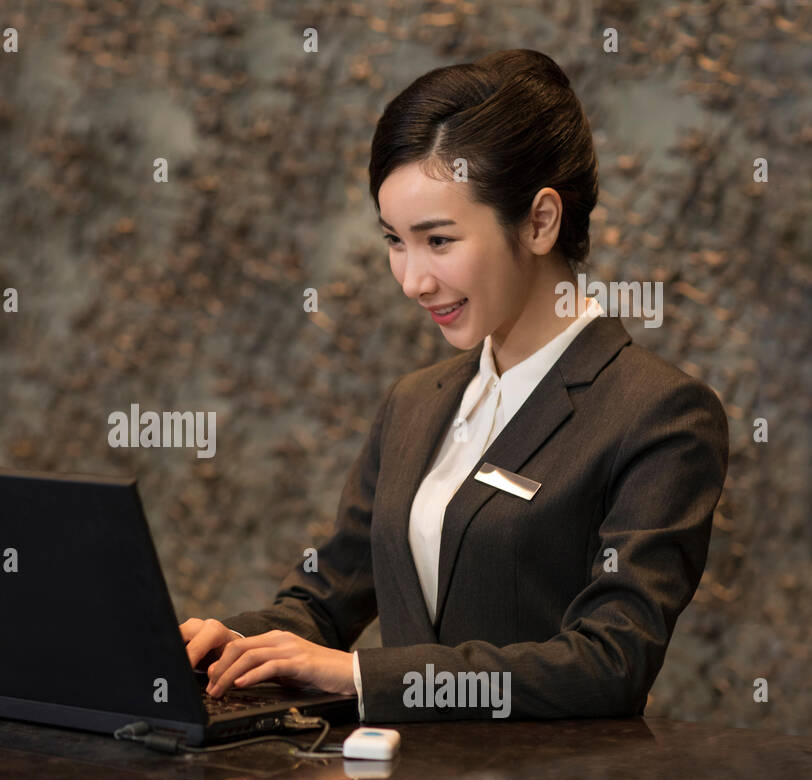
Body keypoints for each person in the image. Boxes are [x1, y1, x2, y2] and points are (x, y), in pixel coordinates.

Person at [181, 49, 729, 722]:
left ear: (540, 221)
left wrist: (362, 675)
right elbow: (327, 597)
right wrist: (234, 643)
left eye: (438, 241)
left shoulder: (658, 414)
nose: (413, 280)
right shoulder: (416, 403)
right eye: (395, 242)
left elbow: (610, 662)